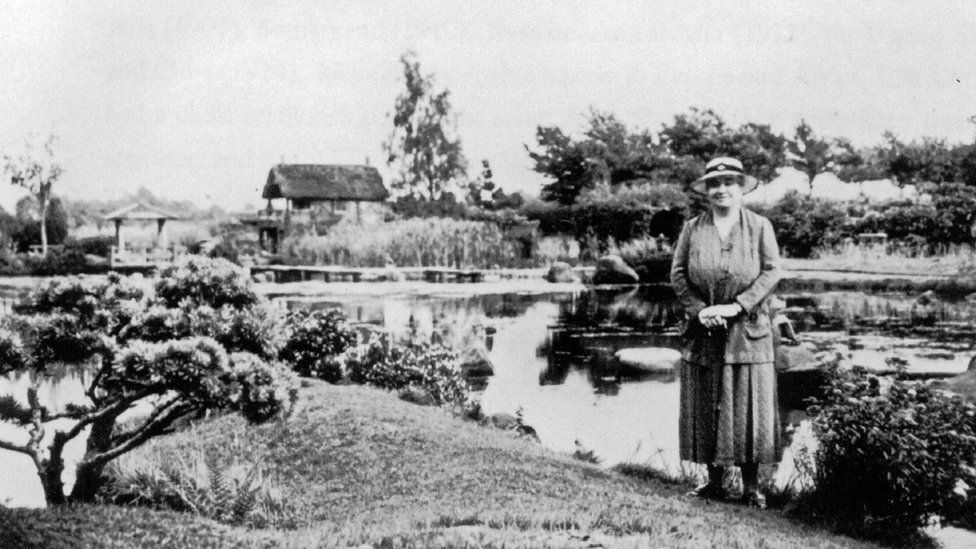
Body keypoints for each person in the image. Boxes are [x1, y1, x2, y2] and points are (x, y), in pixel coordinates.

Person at [669, 156, 782, 508]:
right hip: (704, 330)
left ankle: (751, 488)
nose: (721, 190)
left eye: (729, 183)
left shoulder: (760, 226)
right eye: (714, 184)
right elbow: (678, 273)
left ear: (741, 188)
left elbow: (772, 272)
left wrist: (737, 306)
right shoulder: (692, 228)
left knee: (748, 405)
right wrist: (701, 311)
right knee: (706, 402)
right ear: (707, 191)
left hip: (748, 331)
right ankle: (714, 483)